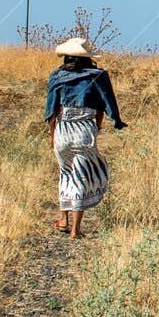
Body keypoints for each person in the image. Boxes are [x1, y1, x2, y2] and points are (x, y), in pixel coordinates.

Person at [44, 36, 127, 239]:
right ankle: (75, 229)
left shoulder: (57, 76)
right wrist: (111, 122)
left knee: (65, 172)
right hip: (84, 129)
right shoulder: (98, 76)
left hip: (62, 128)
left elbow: (52, 110)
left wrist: (52, 135)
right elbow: (105, 104)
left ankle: (63, 219)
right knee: (81, 175)